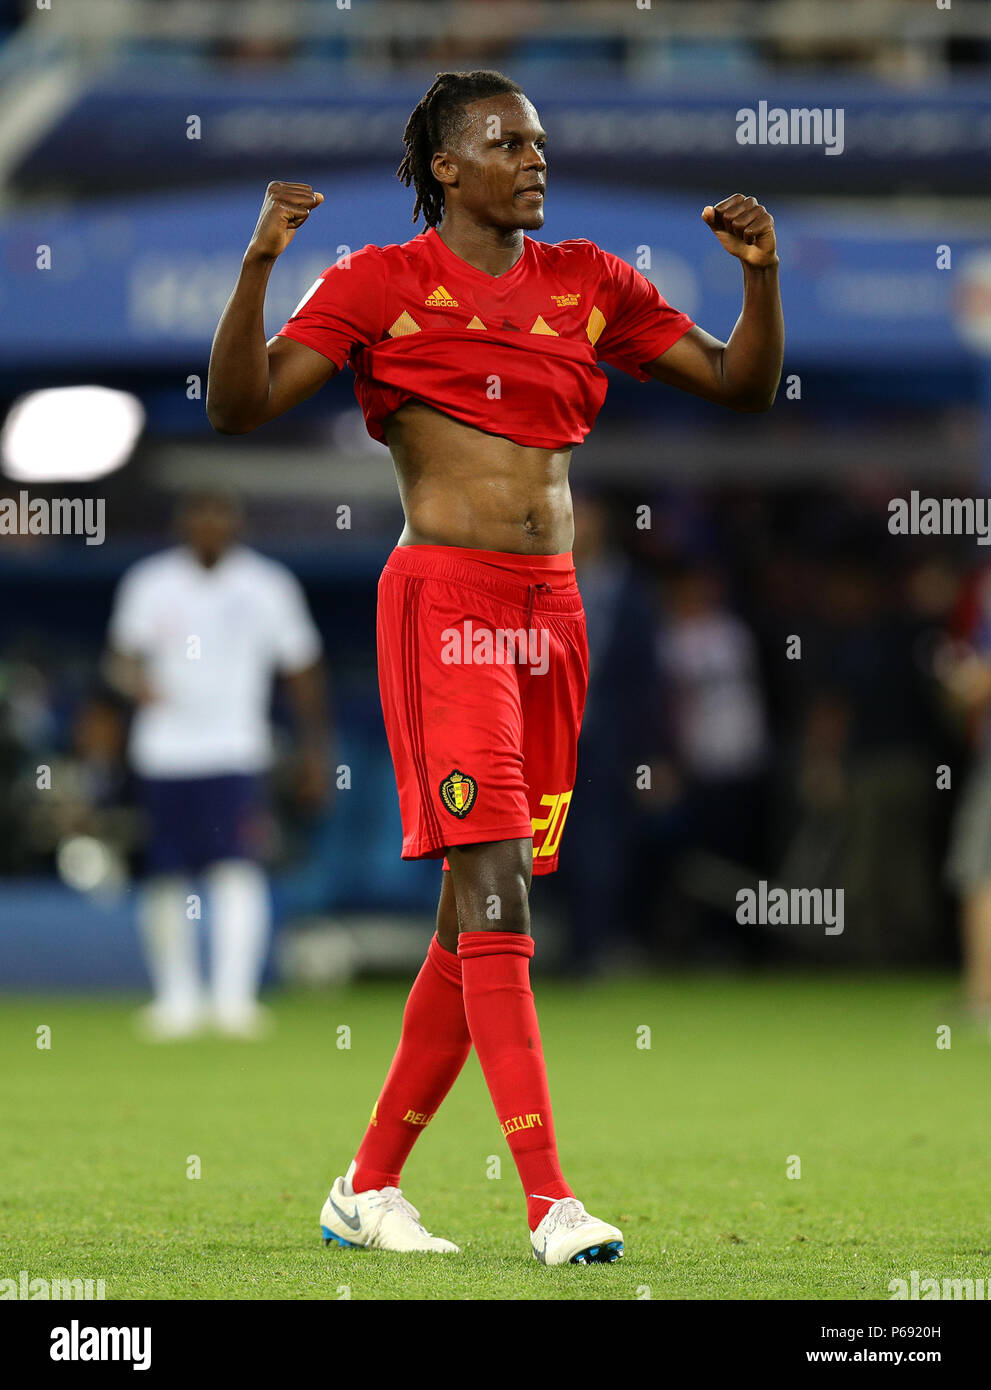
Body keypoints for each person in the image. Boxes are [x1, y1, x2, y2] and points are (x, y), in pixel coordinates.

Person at [206, 69, 783, 1265]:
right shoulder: (376, 283)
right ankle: (549, 1199)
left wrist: (760, 277)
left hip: (553, 619)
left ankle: (366, 1187)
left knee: (470, 922)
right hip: (448, 607)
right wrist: (259, 264)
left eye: (538, 142)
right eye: (505, 141)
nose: (532, 158)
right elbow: (238, 405)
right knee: (500, 891)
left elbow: (740, 385)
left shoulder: (589, 281)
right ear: (442, 169)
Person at [105, 490, 327, 1039]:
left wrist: (317, 751)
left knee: (237, 868)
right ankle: (176, 999)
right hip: (164, 752)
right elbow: (121, 660)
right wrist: (136, 682)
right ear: (183, 521)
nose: (208, 523)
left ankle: (233, 1000)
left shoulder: (267, 585)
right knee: (165, 874)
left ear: (235, 519)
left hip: (235, 749)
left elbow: (301, 669)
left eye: (218, 511)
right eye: (197, 512)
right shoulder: (149, 582)